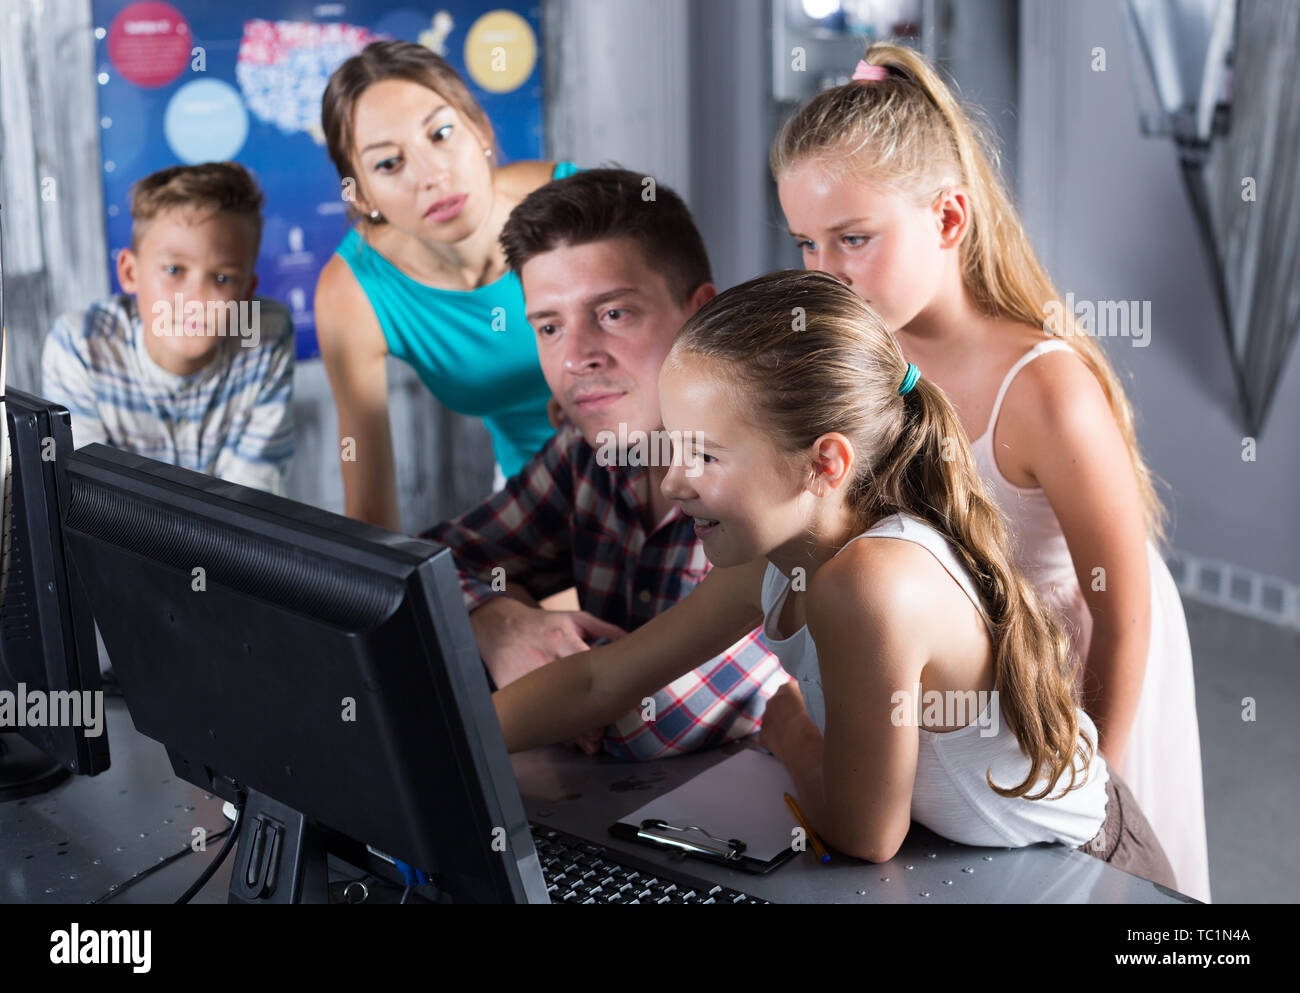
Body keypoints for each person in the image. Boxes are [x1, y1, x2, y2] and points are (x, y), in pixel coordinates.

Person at [494, 269, 1176, 888]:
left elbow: (865, 834)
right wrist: (454, 742)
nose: (673, 483)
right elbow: (600, 681)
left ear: (824, 464)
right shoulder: (774, 560)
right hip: (988, 860)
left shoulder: (871, 584)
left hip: (1090, 867)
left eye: (704, 455)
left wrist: (789, 728)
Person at [771, 43, 1209, 902]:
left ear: (947, 218)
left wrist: (1094, 795)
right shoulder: (865, 360)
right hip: (974, 683)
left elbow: (1123, 614)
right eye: (806, 244)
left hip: (1085, 675)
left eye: (854, 238)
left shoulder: (1047, 390)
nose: (826, 274)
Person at [422, 169, 785, 759]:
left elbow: (643, 723)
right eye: (549, 327)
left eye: (613, 314)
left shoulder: (777, 487)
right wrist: (498, 622)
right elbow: (421, 566)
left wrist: (549, 681)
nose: (576, 358)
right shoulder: (588, 454)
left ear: (700, 314)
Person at [316, 39, 576, 529]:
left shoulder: (573, 203)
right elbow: (370, 513)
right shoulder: (353, 290)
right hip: (534, 500)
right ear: (362, 195)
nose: (431, 176)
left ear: (480, 129)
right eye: (388, 164)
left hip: (659, 467)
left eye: (440, 133)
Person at [42, 161, 294, 495]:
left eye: (223, 278)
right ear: (130, 273)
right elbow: (87, 501)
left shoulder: (267, 336)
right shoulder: (81, 348)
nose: (196, 300)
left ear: (247, 293)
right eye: (174, 270)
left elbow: (250, 499)